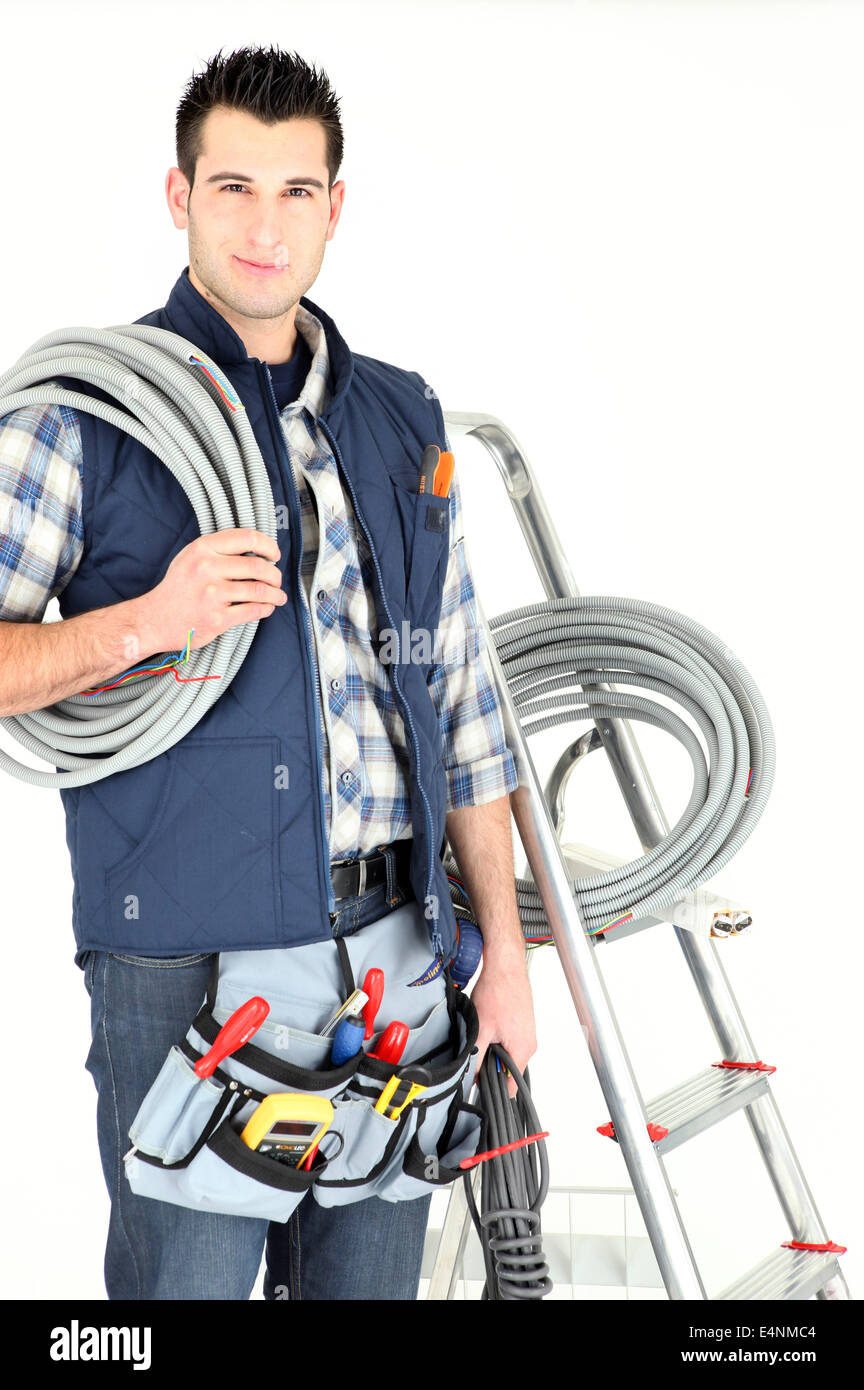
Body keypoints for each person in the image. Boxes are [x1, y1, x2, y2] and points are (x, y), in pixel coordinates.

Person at [0, 43, 536, 1300]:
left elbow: (454, 692)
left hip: (393, 944)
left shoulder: (400, 415)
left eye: (296, 192)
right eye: (233, 187)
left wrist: (499, 954)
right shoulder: (85, 417)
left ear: (334, 209)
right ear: (178, 197)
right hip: (184, 957)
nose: (264, 225)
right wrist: (145, 623)